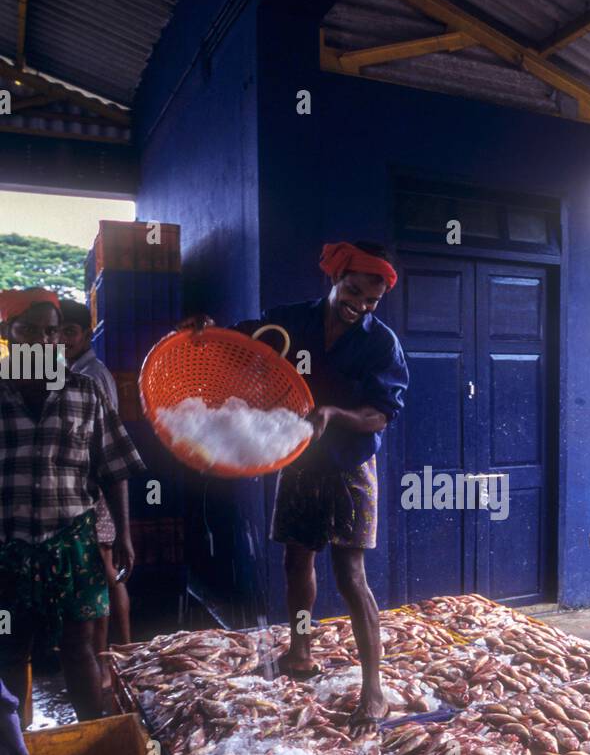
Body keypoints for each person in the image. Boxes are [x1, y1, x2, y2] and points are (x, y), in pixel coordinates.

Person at [183, 241, 409, 729]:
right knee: (296, 561)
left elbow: (380, 415)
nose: (360, 305)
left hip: (350, 465)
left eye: (371, 300)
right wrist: (204, 329)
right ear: (336, 276)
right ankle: (300, 651)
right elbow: (232, 344)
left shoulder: (381, 342)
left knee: (351, 575)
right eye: (353, 290)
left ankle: (374, 690)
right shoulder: (288, 320)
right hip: (298, 459)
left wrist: (334, 413)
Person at [0, 291, 143, 720]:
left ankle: (94, 740)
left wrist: (122, 532)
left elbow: (114, 467)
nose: (44, 342)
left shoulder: (83, 391)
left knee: (80, 647)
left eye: (51, 332)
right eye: (30, 330)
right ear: (8, 333)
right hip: (8, 548)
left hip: (73, 542)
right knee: (9, 651)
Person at [59, 300, 132, 681]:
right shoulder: (71, 371)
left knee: (105, 571)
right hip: (86, 486)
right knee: (101, 572)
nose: (63, 339)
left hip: (98, 485)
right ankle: (115, 656)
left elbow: (108, 443)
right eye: (59, 333)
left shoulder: (93, 375)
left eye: (71, 332)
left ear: (86, 334)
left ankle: (114, 659)